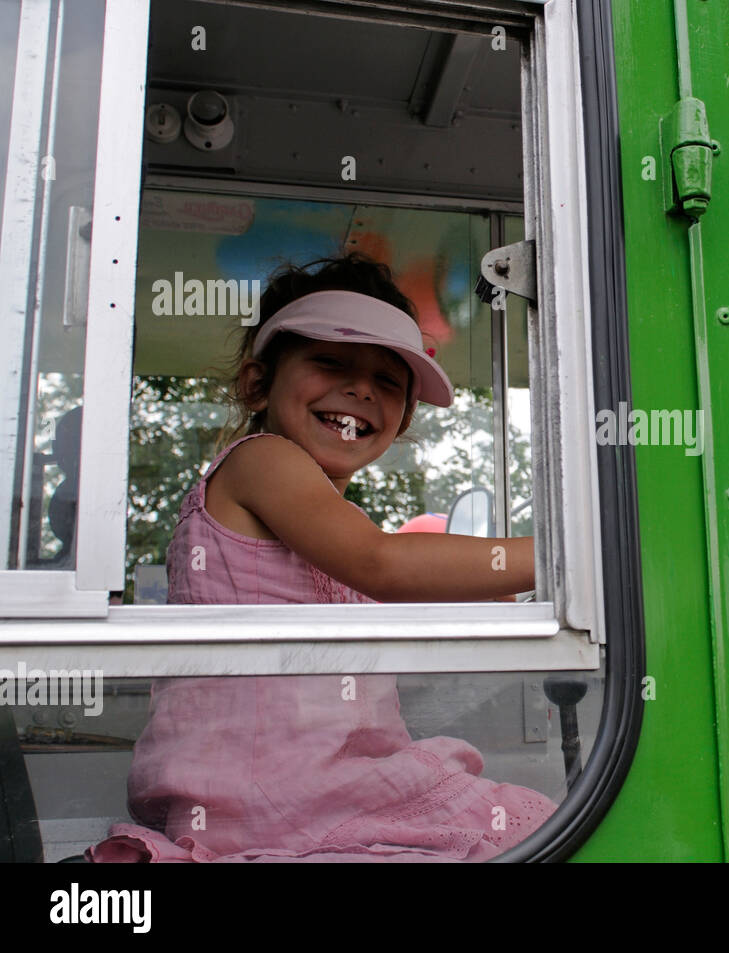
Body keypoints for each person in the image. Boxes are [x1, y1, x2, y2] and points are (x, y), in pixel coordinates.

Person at [88, 254, 557, 862]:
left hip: (307, 795)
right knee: (545, 830)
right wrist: (562, 556)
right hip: (283, 795)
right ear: (257, 383)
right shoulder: (262, 462)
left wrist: (493, 592)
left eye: (388, 382)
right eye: (330, 363)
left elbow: (398, 575)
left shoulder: (333, 526)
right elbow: (383, 565)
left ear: (404, 416)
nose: (361, 389)